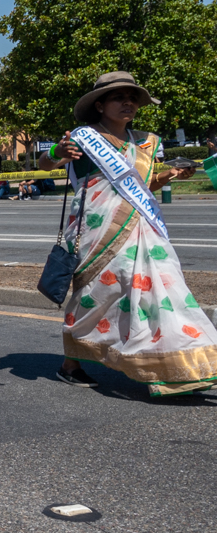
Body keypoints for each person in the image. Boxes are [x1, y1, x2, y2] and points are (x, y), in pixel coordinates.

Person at [39, 71, 217, 394]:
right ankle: (71, 363)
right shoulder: (83, 137)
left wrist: (170, 175)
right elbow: (44, 164)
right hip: (97, 229)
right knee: (96, 293)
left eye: (133, 99)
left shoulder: (145, 142)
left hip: (141, 227)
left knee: (160, 290)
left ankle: (170, 364)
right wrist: (56, 153)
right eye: (119, 98)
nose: (128, 103)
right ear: (100, 105)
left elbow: (142, 187)